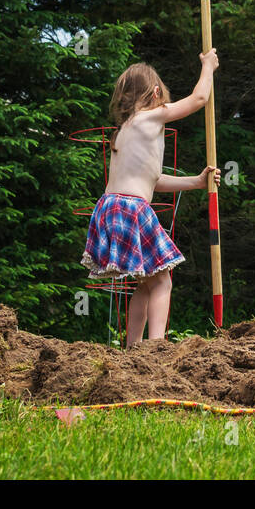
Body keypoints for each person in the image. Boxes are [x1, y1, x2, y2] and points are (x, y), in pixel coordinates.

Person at [83, 53, 219, 345]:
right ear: (156, 93)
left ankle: (133, 348)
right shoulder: (151, 116)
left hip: (111, 206)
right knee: (163, 280)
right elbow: (198, 99)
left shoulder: (125, 131)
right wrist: (208, 67)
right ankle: (156, 347)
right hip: (131, 207)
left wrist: (196, 182)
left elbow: (152, 181)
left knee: (145, 283)